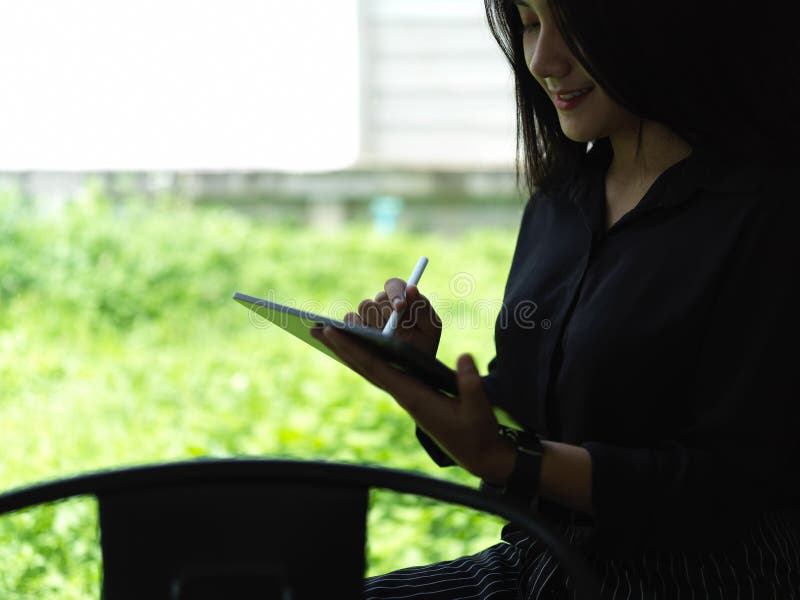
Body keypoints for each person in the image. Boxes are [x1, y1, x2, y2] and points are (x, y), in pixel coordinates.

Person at [312, 0, 800, 597]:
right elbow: (529, 420)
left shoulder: (766, 212)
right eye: (529, 23)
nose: (542, 60)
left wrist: (508, 462)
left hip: (705, 579)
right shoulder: (562, 201)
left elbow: (728, 484)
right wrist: (422, 368)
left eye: (572, 26)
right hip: (548, 562)